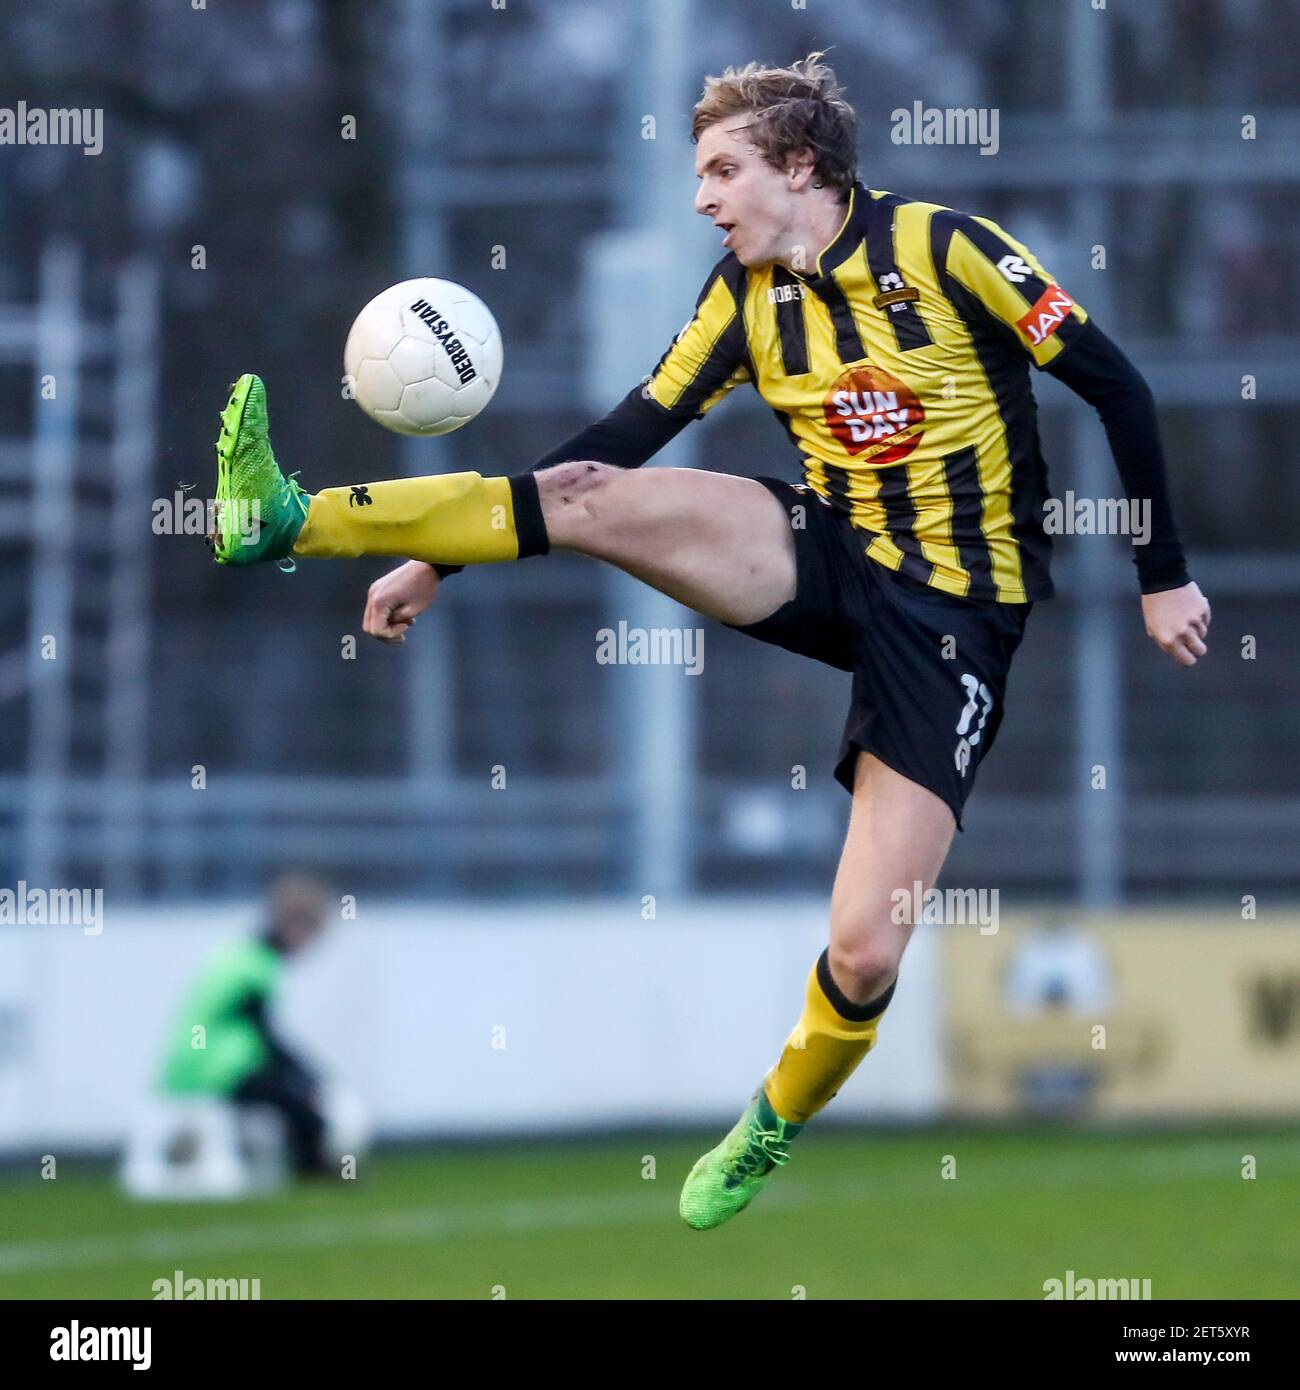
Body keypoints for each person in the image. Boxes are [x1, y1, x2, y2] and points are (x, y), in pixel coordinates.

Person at [206, 54, 1209, 1229]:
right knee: (585, 491)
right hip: (821, 549)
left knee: (865, 952)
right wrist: (437, 555)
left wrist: (1163, 578)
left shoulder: (947, 251)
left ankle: (771, 1118)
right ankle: (289, 520)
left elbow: (1118, 386)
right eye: (700, 174)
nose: (702, 199)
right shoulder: (739, 297)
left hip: (954, 617)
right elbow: (624, 432)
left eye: (723, 171)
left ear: (801, 167)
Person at [160, 874, 333, 1176]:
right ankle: (313, 1169)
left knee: (290, 1092)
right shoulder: (256, 966)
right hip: (216, 1071)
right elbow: (265, 1035)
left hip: (185, 1068)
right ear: (294, 926)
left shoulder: (237, 956)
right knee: (302, 1106)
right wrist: (310, 1076)